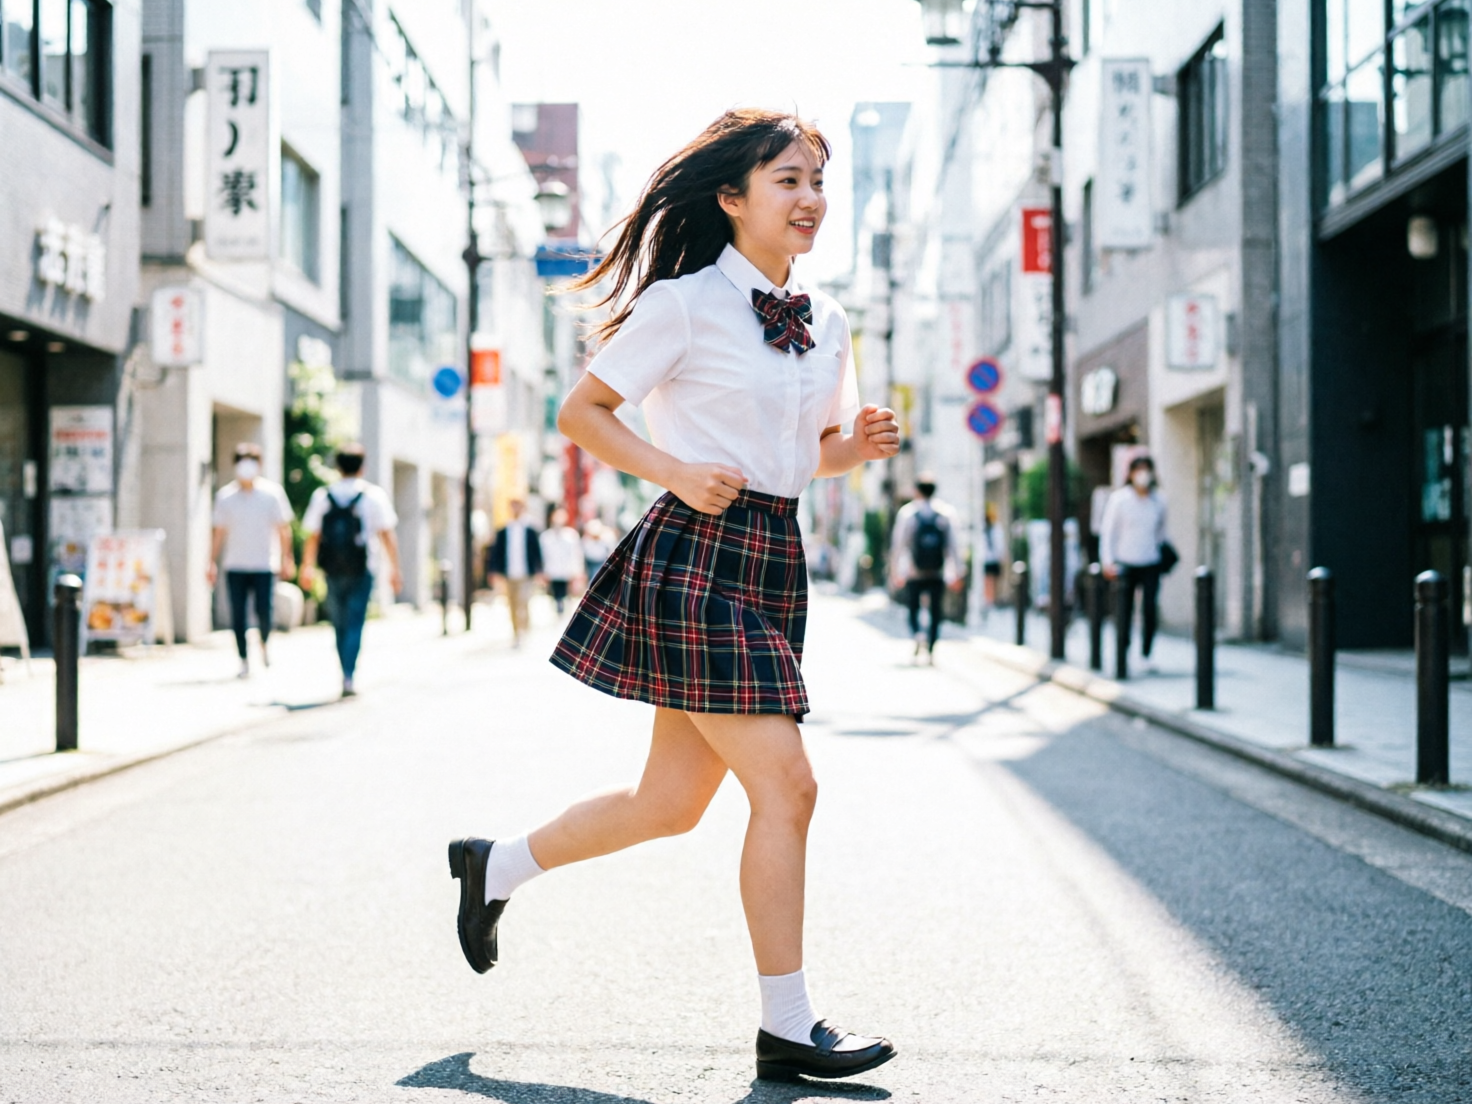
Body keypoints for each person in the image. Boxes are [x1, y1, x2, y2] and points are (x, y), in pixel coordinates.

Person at [446, 110, 902, 1084]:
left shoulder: (828, 318)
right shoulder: (686, 305)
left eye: (816, 181)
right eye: (786, 180)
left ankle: (495, 865)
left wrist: (854, 447)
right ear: (730, 198)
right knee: (788, 784)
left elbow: (806, 456)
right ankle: (788, 1023)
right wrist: (673, 468)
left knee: (666, 804)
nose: (809, 199)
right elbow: (583, 411)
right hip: (692, 554)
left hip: (771, 556)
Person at [298, 444, 402, 697]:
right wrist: (395, 569)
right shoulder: (373, 496)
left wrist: (307, 567)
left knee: (339, 622)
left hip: (331, 569)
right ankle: (348, 675)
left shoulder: (323, 496)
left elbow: (312, 536)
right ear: (362, 467)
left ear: (337, 467)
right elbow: (387, 534)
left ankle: (344, 669)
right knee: (355, 621)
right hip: (363, 568)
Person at [207, 443, 294, 679]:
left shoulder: (271, 494)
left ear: (259, 465)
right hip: (234, 564)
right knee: (238, 615)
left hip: (265, 564)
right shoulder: (225, 496)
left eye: (251, 461)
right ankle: (243, 659)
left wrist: (288, 558)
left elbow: (284, 529)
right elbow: (218, 532)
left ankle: (264, 643)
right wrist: (211, 562)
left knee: (265, 611)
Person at [1099, 455, 1169, 674]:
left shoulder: (1159, 500)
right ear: (1129, 474)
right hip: (1125, 563)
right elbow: (1108, 532)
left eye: (1146, 469)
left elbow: (1162, 532)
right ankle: (1123, 653)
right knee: (1124, 611)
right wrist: (1107, 561)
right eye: (1138, 469)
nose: (1142, 474)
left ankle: (1146, 654)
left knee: (1149, 609)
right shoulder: (1120, 499)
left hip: (1151, 562)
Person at [888, 474, 962, 663]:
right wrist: (957, 572)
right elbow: (953, 546)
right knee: (936, 610)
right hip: (938, 571)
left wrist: (895, 571)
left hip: (914, 572)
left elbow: (898, 545)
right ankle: (930, 648)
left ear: (917, 491)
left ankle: (918, 635)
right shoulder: (945, 513)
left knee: (913, 607)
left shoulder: (908, 513)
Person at [486, 498, 544, 646]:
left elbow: (537, 552)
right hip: (509, 573)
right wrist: (493, 571)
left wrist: (540, 571)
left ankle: (524, 630)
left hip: (526, 573)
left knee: (523, 601)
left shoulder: (531, 530)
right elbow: (496, 552)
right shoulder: (504, 530)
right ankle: (516, 632)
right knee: (511, 603)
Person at [539, 507, 584, 615]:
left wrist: (578, 572)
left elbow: (576, 555)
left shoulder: (571, 535)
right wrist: (542, 573)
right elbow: (543, 556)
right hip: (552, 572)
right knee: (555, 599)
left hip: (568, 573)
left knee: (567, 600)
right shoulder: (546, 536)